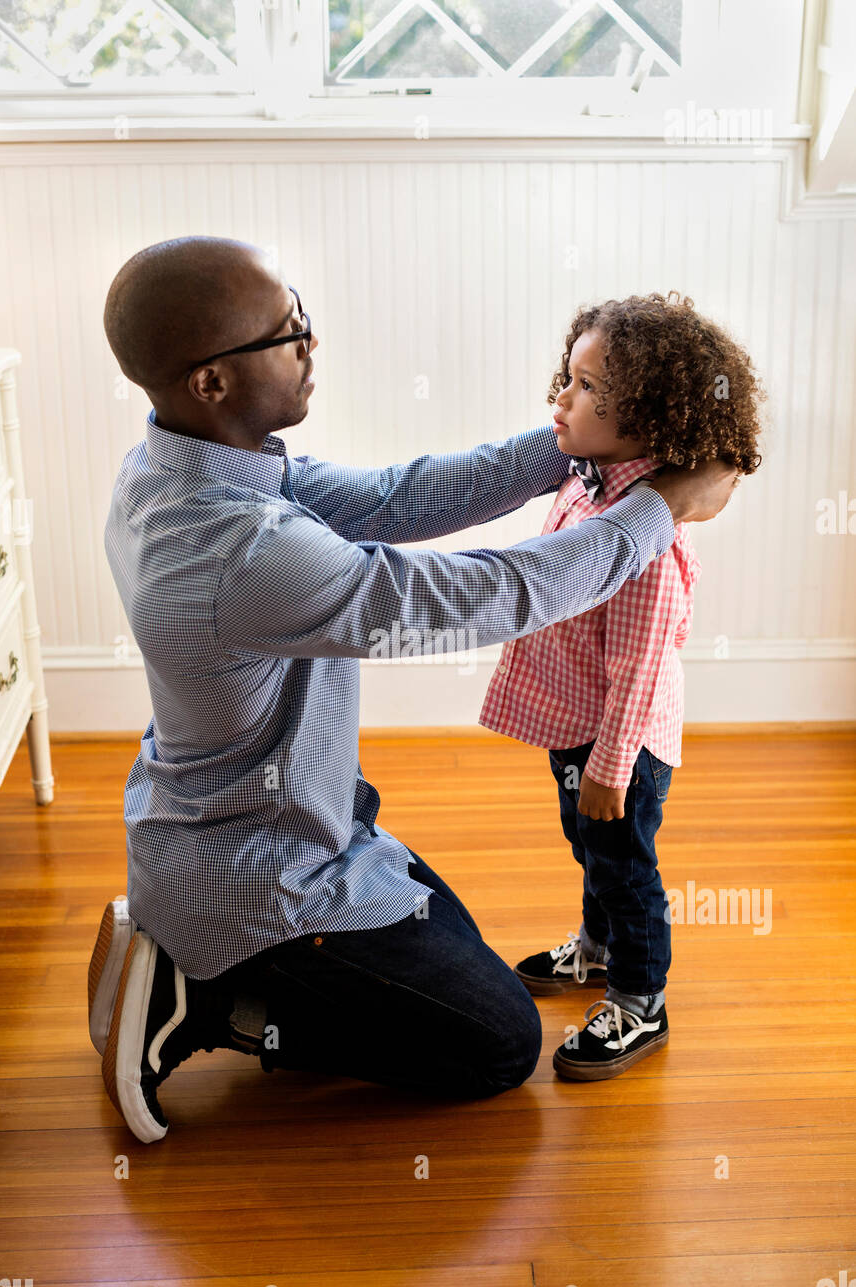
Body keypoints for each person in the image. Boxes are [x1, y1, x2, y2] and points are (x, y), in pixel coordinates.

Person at [94, 237, 741, 1143]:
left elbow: (403, 496)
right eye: (288, 334)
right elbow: (486, 594)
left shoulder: (178, 467)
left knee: (464, 958)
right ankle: (210, 1002)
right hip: (260, 869)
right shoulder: (241, 552)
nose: (310, 344)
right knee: (499, 1046)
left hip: (269, 822)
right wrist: (658, 505)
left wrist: (576, 441)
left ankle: (210, 951)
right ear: (211, 380)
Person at [479, 292, 763, 1080]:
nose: (561, 399)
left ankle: (640, 1001)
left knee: (623, 866)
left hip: (618, 742)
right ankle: (599, 950)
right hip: (578, 720)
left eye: (588, 389)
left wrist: (608, 766)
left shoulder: (644, 535)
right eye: (568, 378)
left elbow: (638, 664)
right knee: (591, 848)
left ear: (648, 419)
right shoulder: (588, 479)